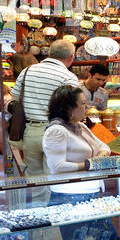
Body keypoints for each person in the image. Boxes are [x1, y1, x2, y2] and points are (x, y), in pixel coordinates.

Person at [43, 84, 114, 240]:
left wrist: (102, 155)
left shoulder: (80, 127)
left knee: (108, 234)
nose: (87, 106)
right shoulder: (56, 131)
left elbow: (103, 146)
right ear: (68, 108)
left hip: (89, 192)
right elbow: (57, 166)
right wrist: (89, 164)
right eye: (82, 103)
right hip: (68, 196)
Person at [17, 39, 80, 176]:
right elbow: (74, 109)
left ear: (49, 53)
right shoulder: (68, 77)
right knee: (53, 176)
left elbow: (14, 99)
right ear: (71, 57)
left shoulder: (26, 71)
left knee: (34, 179)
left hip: (30, 132)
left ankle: (38, 199)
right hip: (55, 131)